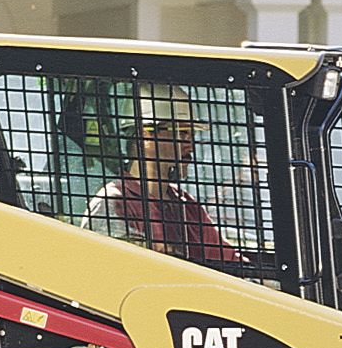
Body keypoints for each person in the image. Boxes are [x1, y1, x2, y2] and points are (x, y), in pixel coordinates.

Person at [82, 83, 244, 267]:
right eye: (181, 134)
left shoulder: (186, 205)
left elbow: (230, 262)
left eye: (191, 136)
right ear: (146, 137)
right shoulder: (113, 203)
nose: (190, 146)